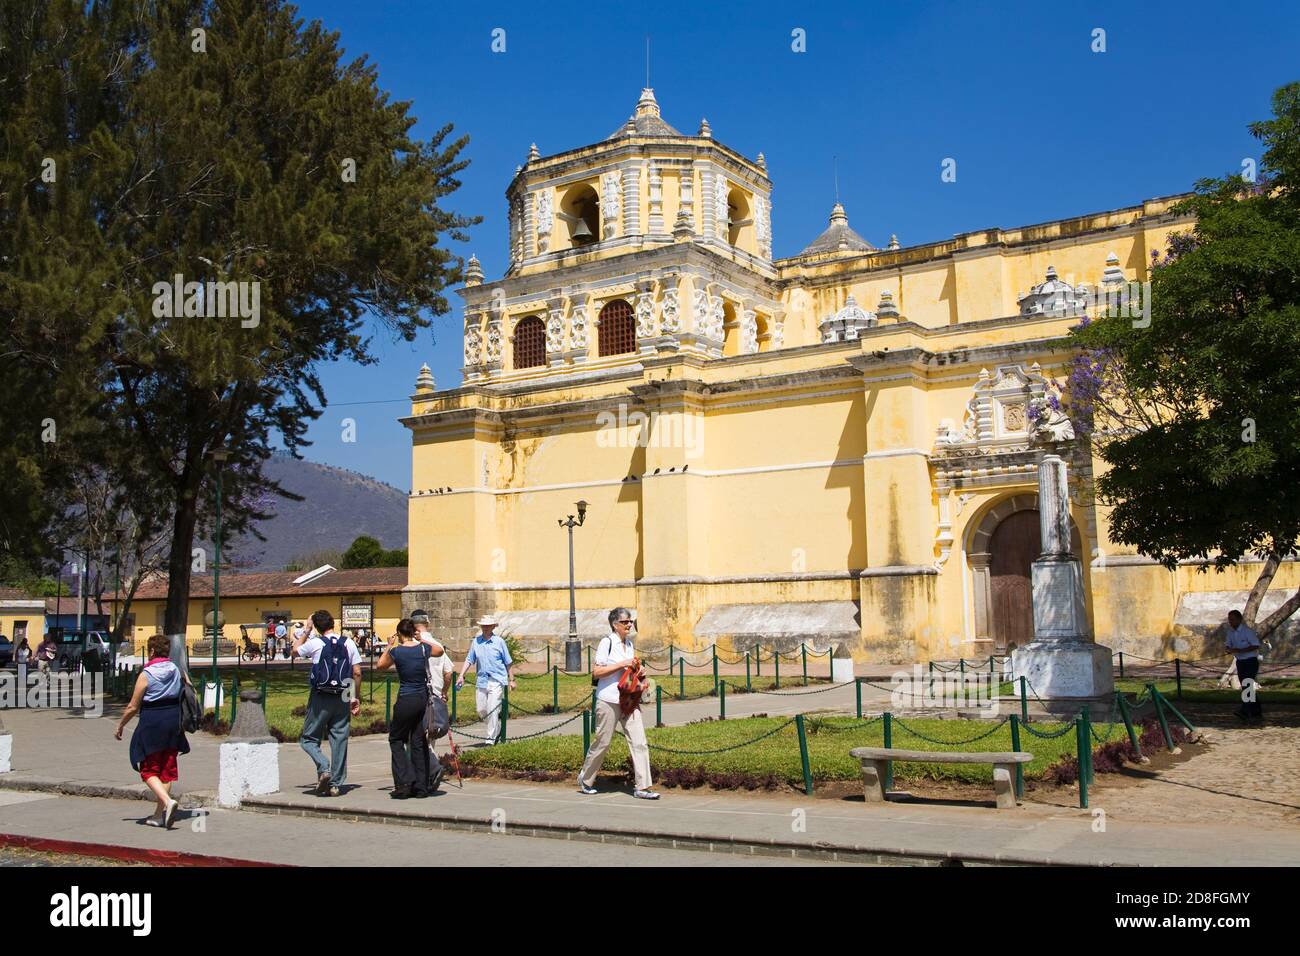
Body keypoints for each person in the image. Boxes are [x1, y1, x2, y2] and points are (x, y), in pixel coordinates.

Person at [577, 608, 658, 800]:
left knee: (640, 742)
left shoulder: (629, 644)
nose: (629, 625)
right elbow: (597, 672)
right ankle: (586, 778)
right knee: (603, 742)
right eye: (626, 622)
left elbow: (628, 668)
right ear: (615, 624)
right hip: (608, 699)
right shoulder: (607, 643)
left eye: (631, 622)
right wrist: (622, 663)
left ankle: (642, 787)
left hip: (628, 699)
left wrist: (639, 671)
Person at [114, 633, 192, 828]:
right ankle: (159, 815)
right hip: (173, 721)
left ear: (151, 651)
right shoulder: (176, 669)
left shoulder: (146, 674)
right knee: (166, 769)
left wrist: (121, 724)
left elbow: (133, 706)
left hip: (152, 722)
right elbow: (189, 689)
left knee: (148, 769)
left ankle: (167, 802)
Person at [294, 610, 362, 796]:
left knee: (309, 739)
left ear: (317, 626)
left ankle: (324, 768)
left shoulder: (315, 643)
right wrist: (354, 697)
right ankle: (336, 784)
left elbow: (294, 650)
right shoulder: (348, 643)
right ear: (333, 623)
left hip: (320, 696)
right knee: (339, 739)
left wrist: (307, 630)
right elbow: (356, 672)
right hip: (342, 696)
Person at [375, 619, 444, 798]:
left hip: (406, 698)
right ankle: (421, 787)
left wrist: (388, 646)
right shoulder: (422, 649)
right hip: (422, 698)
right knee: (418, 741)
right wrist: (421, 639)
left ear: (399, 634)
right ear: (413, 632)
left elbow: (380, 665)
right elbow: (440, 650)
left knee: (396, 739)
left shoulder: (397, 651)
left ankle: (404, 783)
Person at [455, 616, 514, 745]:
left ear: (493, 627)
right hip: (482, 680)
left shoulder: (499, 642)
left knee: (493, 708)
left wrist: (512, 679)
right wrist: (461, 675)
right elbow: (469, 659)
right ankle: (496, 728)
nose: (485, 628)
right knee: (481, 709)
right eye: (483, 626)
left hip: (496, 680)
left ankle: (490, 739)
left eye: (488, 626)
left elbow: (508, 662)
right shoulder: (476, 641)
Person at [412, 609, 453, 786]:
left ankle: (432, 769)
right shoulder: (437, 644)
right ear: (427, 623)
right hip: (435, 695)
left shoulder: (411, 644)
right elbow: (449, 672)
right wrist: (444, 691)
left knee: (416, 737)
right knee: (431, 735)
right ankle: (429, 773)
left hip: (416, 694)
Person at [1225, 609, 1263, 720]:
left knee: (1247, 684)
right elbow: (1228, 644)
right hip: (1240, 662)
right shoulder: (1230, 633)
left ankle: (1245, 711)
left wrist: (1241, 650)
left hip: (1250, 661)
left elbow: (1256, 645)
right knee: (1246, 686)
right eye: (1229, 620)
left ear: (1239, 619)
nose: (1231, 622)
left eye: (1233, 619)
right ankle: (1256, 710)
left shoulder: (1247, 631)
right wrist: (1228, 649)